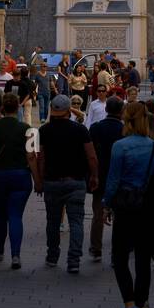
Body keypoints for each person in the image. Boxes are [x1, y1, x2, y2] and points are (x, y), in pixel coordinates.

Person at [104, 102, 154, 308]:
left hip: (125, 206)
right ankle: (141, 301)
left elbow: (113, 180)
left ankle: (129, 304)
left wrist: (107, 204)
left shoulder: (120, 146)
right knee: (143, 255)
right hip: (148, 208)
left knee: (120, 257)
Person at [37, 95, 98, 273]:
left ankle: (52, 255)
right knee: (76, 222)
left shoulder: (44, 130)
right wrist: (94, 176)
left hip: (52, 181)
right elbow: (91, 156)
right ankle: (74, 259)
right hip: (76, 181)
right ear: (68, 109)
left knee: (53, 221)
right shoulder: (80, 130)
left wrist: (39, 180)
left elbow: (41, 158)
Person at [0, 90, 40, 269]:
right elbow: (32, 156)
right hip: (20, 177)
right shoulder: (28, 130)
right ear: (17, 108)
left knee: (0, 214)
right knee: (15, 215)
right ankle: (16, 255)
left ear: (2, 108)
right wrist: (37, 180)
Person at [88, 94, 124, 260]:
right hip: (120, 179)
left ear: (106, 109)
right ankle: (117, 251)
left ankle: (96, 248)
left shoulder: (96, 128)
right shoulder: (125, 130)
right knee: (119, 216)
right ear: (121, 111)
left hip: (100, 176)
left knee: (97, 214)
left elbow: (90, 153)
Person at [35, 59, 51, 124]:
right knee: (42, 106)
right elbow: (35, 83)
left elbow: (51, 82)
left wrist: (55, 89)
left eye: (45, 66)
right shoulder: (37, 74)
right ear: (40, 67)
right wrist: (34, 91)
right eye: (43, 66)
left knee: (46, 107)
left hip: (47, 92)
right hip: (40, 92)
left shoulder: (48, 74)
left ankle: (45, 117)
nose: (44, 67)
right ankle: (42, 118)